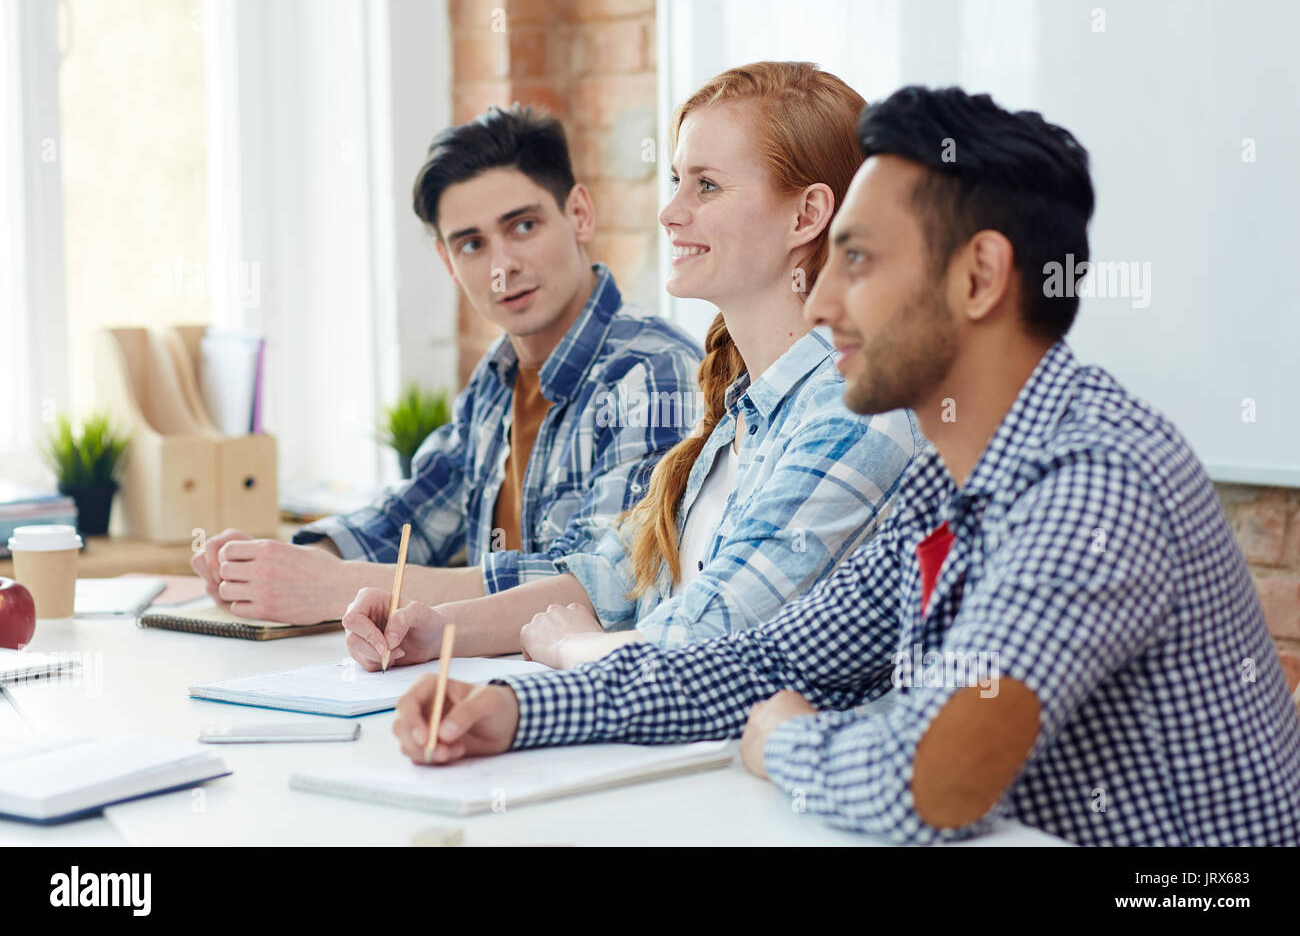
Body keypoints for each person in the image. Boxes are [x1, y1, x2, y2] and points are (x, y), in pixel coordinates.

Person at [384, 85, 1300, 847]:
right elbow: (770, 658)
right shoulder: (953, 475)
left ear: (979, 278)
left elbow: (930, 778)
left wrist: (784, 739)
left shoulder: (1097, 481)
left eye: (856, 260)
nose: (819, 299)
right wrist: (513, 709)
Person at [341, 62, 916, 670]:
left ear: (805, 216)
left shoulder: (857, 409)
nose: (670, 212)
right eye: (676, 181)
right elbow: (609, 579)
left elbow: (713, 635)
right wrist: (435, 631)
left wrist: (574, 647)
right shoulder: (742, 415)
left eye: (707, 186)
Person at [190, 105, 702, 625]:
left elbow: (611, 585)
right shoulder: (497, 378)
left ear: (579, 215)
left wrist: (346, 586)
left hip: (583, 696)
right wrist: (290, 566)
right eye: (472, 244)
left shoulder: (650, 370)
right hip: (482, 679)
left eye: (523, 226)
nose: (502, 268)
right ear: (447, 262)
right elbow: (415, 514)